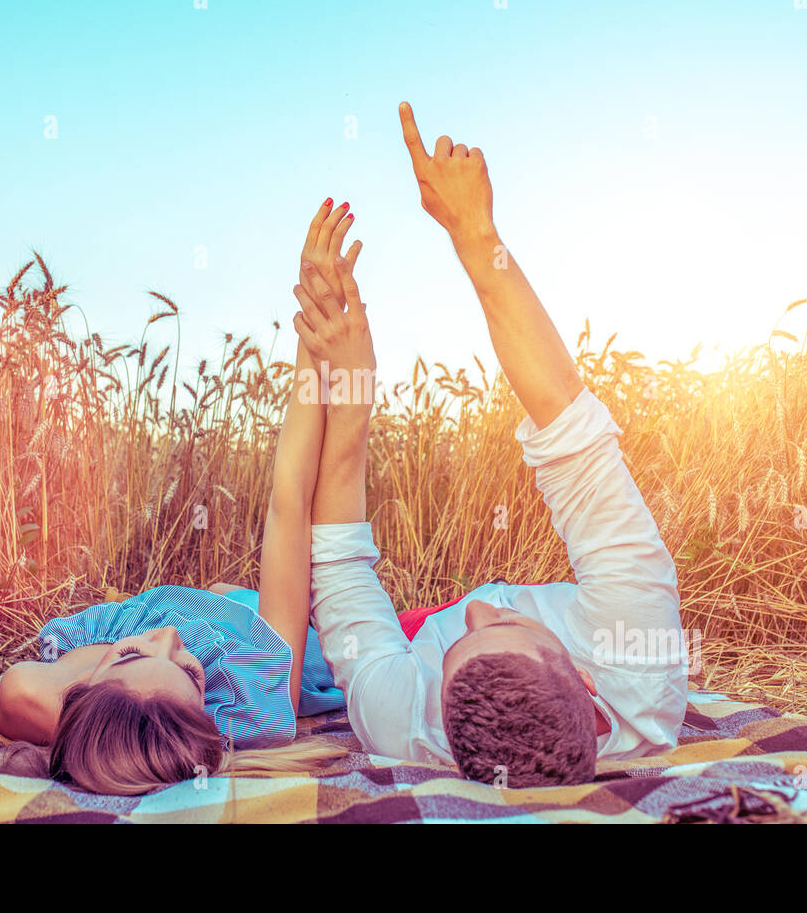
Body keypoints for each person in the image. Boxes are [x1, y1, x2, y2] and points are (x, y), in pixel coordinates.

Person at [294, 102, 687, 789]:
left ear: (441, 719)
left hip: (366, 641)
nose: (476, 608)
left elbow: (340, 562)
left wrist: (348, 376)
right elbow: (569, 427)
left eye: (463, 642)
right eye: (504, 623)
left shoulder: (403, 719)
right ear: (587, 681)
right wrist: (473, 229)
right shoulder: (635, 649)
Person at [0, 199, 362, 795]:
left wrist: (98, 705)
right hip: (265, 614)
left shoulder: (66, 694)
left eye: (137, 659)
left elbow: (18, 694)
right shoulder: (255, 698)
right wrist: (313, 334)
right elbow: (289, 500)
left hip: (187, 616)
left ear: (83, 697)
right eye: (189, 670)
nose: (169, 639)